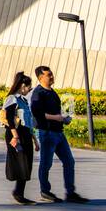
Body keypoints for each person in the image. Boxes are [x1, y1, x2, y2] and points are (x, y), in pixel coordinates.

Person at [30, 65, 88, 203]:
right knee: (46, 163)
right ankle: (45, 191)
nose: (51, 76)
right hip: (46, 133)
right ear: (40, 78)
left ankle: (70, 192)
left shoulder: (53, 92)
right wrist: (57, 118)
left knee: (69, 161)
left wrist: (64, 119)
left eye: (51, 74)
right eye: (48, 75)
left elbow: (56, 113)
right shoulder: (38, 93)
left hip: (58, 133)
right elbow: (37, 114)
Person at [0, 72, 36, 205]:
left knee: (27, 163)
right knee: (21, 162)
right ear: (22, 86)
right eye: (28, 87)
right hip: (16, 134)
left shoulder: (23, 100)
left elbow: (27, 121)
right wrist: (15, 136)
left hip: (25, 133)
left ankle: (19, 192)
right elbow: (9, 118)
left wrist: (34, 139)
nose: (29, 89)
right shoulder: (12, 99)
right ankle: (18, 193)